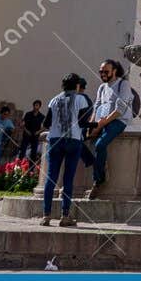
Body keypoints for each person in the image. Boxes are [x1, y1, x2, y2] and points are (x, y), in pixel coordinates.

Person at [42, 73, 91, 227]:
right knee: (68, 178)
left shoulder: (54, 100)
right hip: (73, 140)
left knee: (51, 178)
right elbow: (83, 122)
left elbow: (47, 122)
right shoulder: (80, 99)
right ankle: (65, 215)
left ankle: (46, 215)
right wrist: (95, 125)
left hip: (55, 140)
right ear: (77, 85)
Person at [86, 59, 133, 195]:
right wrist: (92, 124)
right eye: (101, 71)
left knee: (100, 144)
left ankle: (98, 180)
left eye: (106, 71)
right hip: (102, 121)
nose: (103, 74)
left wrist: (101, 124)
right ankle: (97, 168)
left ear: (115, 71)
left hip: (118, 121)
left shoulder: (123, 84)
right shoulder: (102, 87)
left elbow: (120, 109)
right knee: (83, 140)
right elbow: (97, 106)